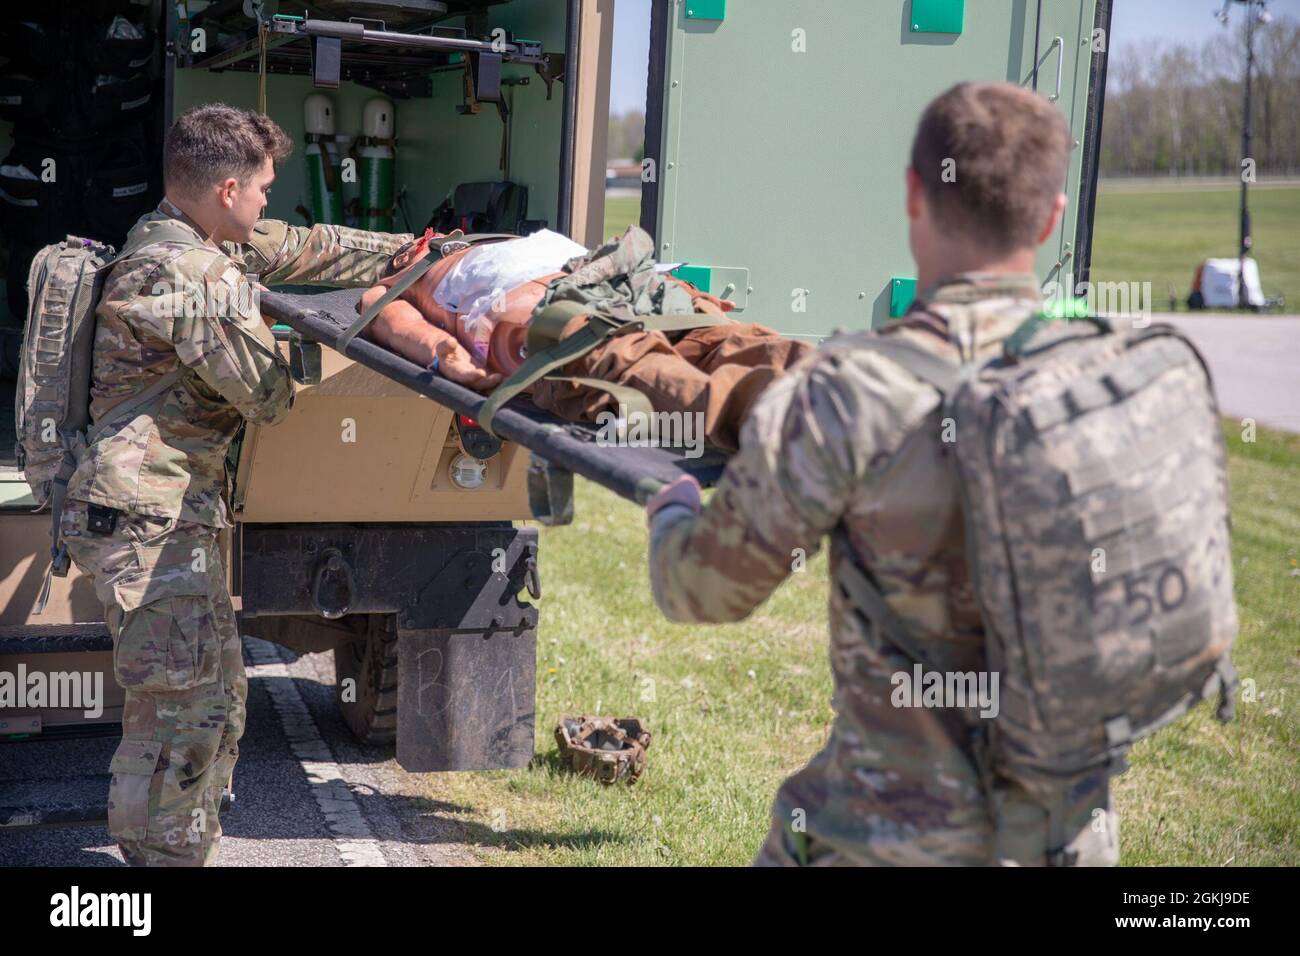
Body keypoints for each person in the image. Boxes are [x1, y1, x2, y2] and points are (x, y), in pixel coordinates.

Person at [644, 81, 1118, 866]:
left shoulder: (850, 391)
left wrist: (672, 512)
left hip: (887, 836)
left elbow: (701, 589)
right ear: (1051, 217)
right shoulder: (1118, 380)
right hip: (1070, 838)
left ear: (913, 194)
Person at [59, 103, 412, 866]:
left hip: (167, 518)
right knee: (180, 717)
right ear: (227, 190)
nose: (265, 202)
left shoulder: (168, 239)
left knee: (214, 701)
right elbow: (268, 396)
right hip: (151, 521)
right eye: (262, 189)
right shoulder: (197, 275)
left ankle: (179, 851)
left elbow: (296, 247)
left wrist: (408, 255)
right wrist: (290, 327)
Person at [359, 225, 812, 452]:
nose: (421, 238)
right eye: (406, 246)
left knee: (726, 341)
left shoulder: (501, 240)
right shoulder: (401, 282)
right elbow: (388, 319)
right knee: (625, 364)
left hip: (628, 283)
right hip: (550, 316)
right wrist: (449, 358)